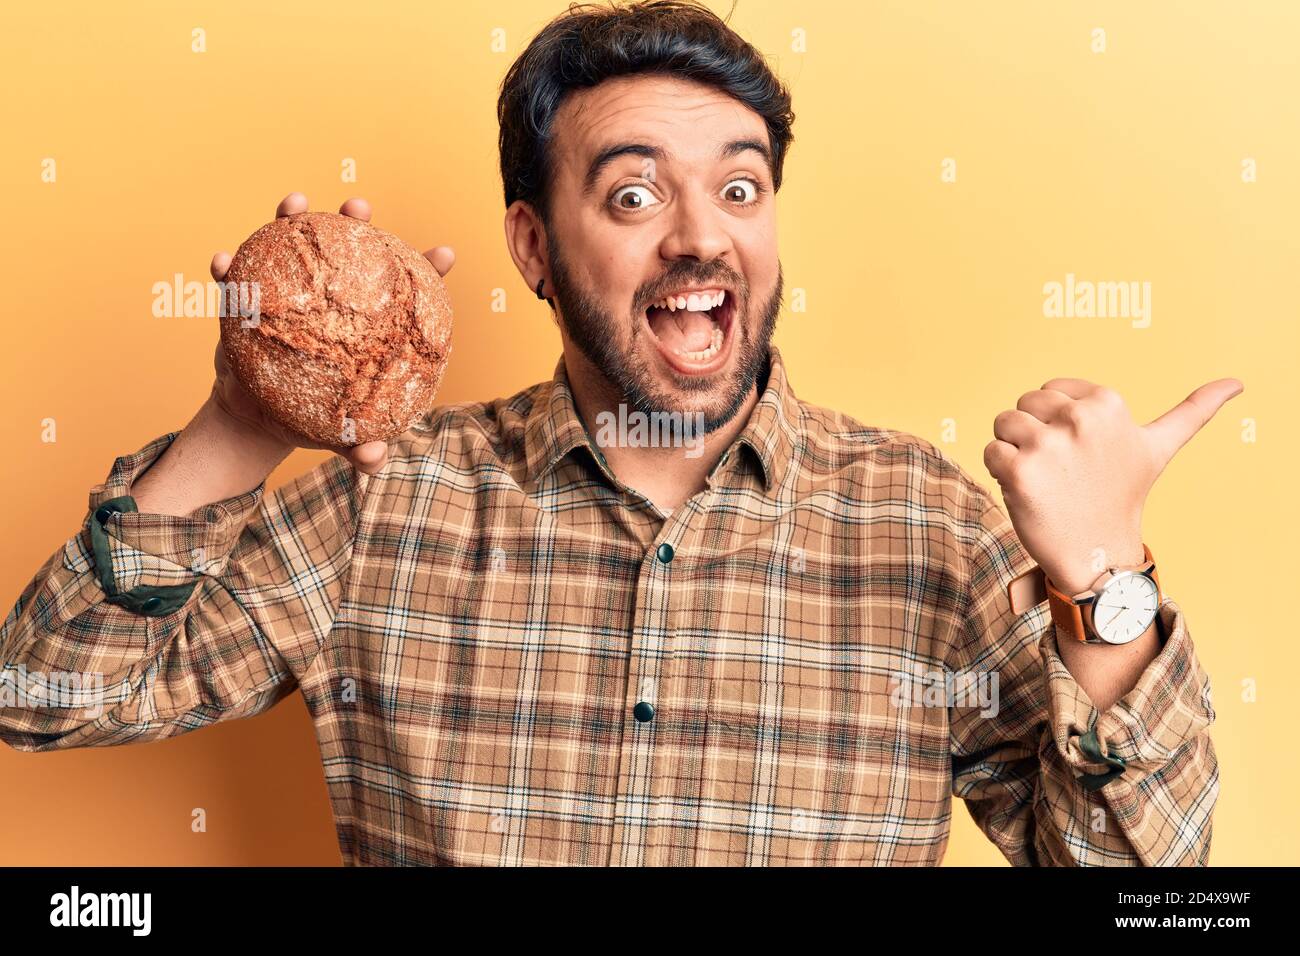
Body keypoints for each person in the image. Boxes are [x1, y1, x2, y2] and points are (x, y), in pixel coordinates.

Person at [0, 0, 1234, 866]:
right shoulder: (385, 507)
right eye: (634, 193)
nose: (701, 237)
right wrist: (239, 423)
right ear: (533, 246)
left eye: (739, 187)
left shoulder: (929, 525)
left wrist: (1103, 581)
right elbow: (41, 692)